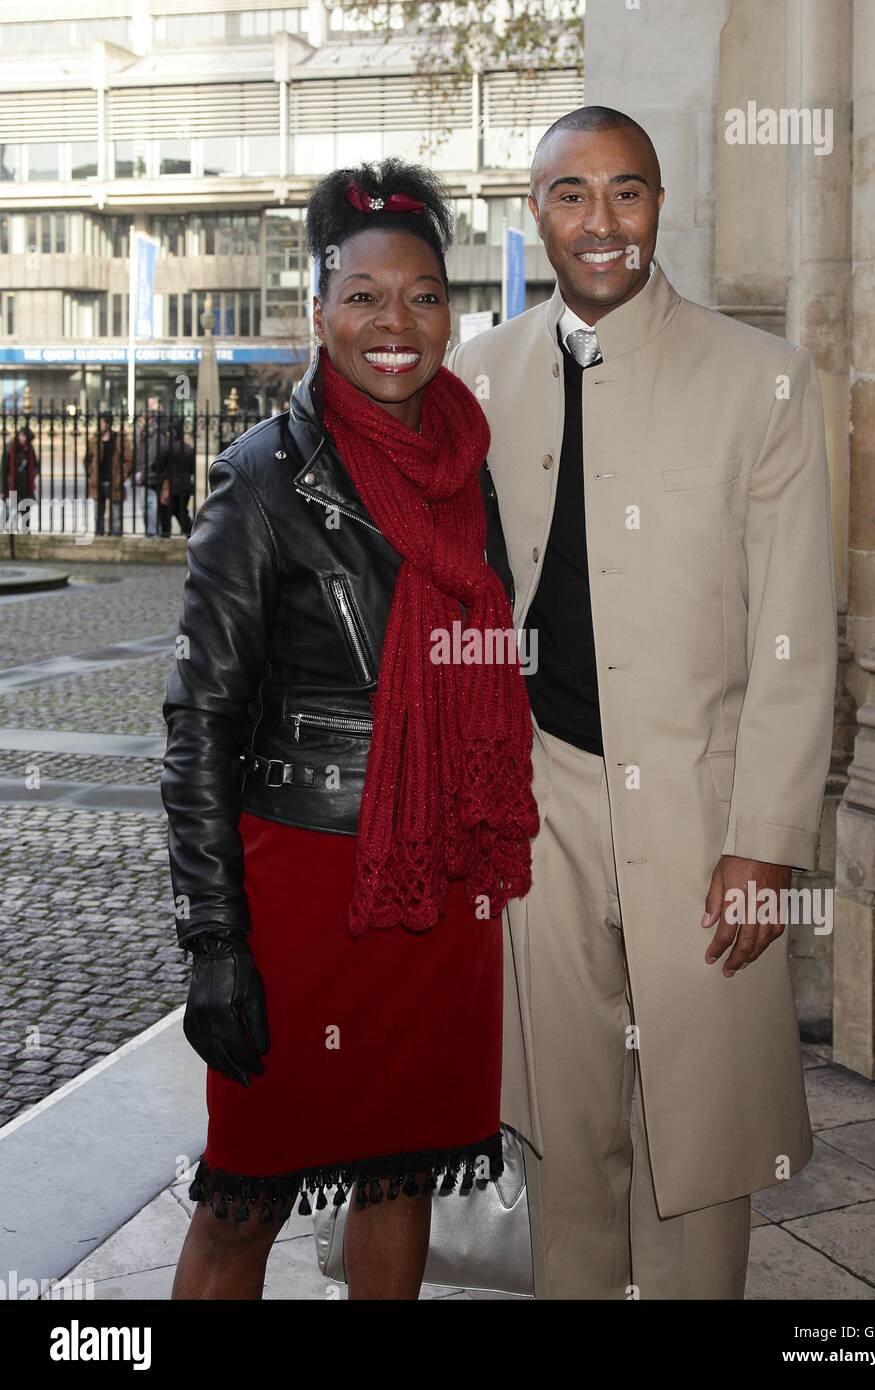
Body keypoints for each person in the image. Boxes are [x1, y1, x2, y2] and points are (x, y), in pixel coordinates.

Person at [448, 106, 838, 1300]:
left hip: (702, 807)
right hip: (539, 807)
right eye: (572, 193)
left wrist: (764, 846)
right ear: (536, 212)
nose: (601, 222)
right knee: (560, 1130)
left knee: (703, 1143)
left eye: (628, 192)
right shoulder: (479, 376)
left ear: (659, 206)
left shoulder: (760, 379)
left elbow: (794, 632)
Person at [161, 157, 538, 1301]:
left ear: (452, 312)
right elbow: (199, 725)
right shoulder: (263, 482)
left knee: (400, 1175)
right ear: (317, 311)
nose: (393, 323)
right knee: (243, 1195)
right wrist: (217, 945)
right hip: (307, 894)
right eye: (363, 295)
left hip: (439, 888)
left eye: (422, 294)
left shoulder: (470, 473)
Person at [84, 412, 131, 536]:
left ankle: (116, 538)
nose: (101, 425)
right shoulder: (94, 440)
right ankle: (99, 537)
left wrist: (123, 476)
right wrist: (91, 473)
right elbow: (87, 460)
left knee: (116, 517)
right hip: (98, 482)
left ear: (108, 423)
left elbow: (129, 460)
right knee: (98, 515)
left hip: (115, 482)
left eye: (103, 422)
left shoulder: (119, 439)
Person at [133, 394, 165, 535]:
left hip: (150, 476)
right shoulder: (143, 434)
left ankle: (153, 534)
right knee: (145, 507)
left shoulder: (155, 434)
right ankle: (150, 533)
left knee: (151, 507)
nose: (140, 421)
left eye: (142, 418)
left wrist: (142, 474)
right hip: (143, 475)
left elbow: (152, 456)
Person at [159, 419, 195, 537]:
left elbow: (158, 465)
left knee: (166, 515)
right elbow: (192, 469)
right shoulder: (188, 448)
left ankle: (165, 537)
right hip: (185, 487)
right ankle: (190, 535)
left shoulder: (166, 447)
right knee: (182, 513)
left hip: (169, 487)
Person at [6, 426, 37, 502]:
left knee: (26, 510)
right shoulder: (11, 447)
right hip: (13, 484)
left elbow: (36, 463)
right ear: (18, 436)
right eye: (23, 436)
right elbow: (4, 468)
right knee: (13, 510)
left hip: (26, 485)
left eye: (26, 436)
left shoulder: (29, 447)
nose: (24, 439)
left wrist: (33, 474)